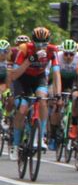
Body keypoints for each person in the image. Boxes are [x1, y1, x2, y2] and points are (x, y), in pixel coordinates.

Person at [9, 27, 60, 159]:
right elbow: (14, 75)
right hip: (22, 80)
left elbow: (56, 73)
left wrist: (58, 94)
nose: (41, 46)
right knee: (22, 109)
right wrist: (31, 59)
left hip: (39, 78)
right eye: (38, 43)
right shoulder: (24, 49)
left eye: (44, 43)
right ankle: (15, 144)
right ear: (33, 41)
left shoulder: (52, 50)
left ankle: (41, 137)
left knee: (42, 101)